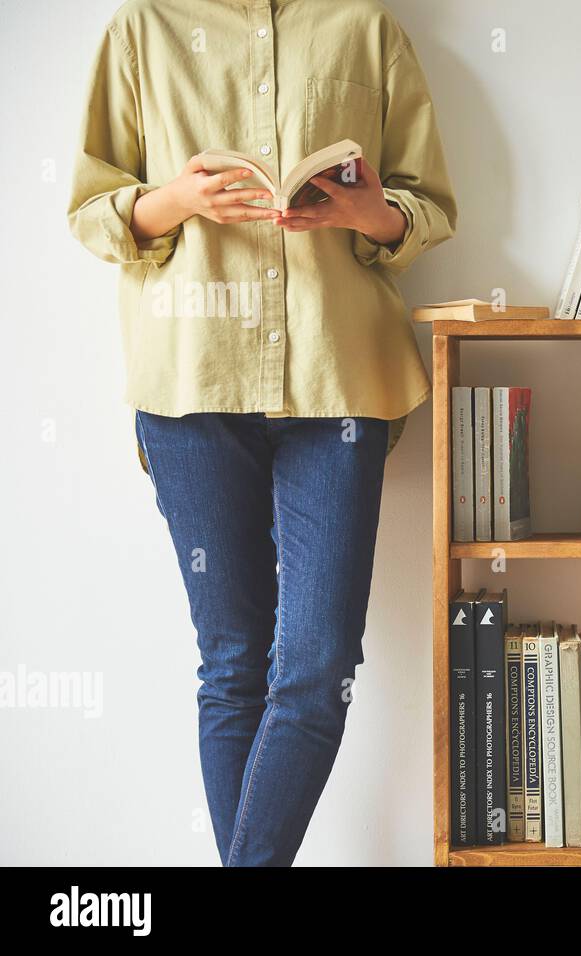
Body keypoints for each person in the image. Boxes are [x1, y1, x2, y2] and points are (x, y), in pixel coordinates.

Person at [68, 0, 455, 866]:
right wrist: (176, 199)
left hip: (338, 383)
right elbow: (92, 210)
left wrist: (366, 215)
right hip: (191, 385)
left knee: (317, 667)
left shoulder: (366, 27)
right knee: (233, 663)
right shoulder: (144, 28)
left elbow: (428, 206)